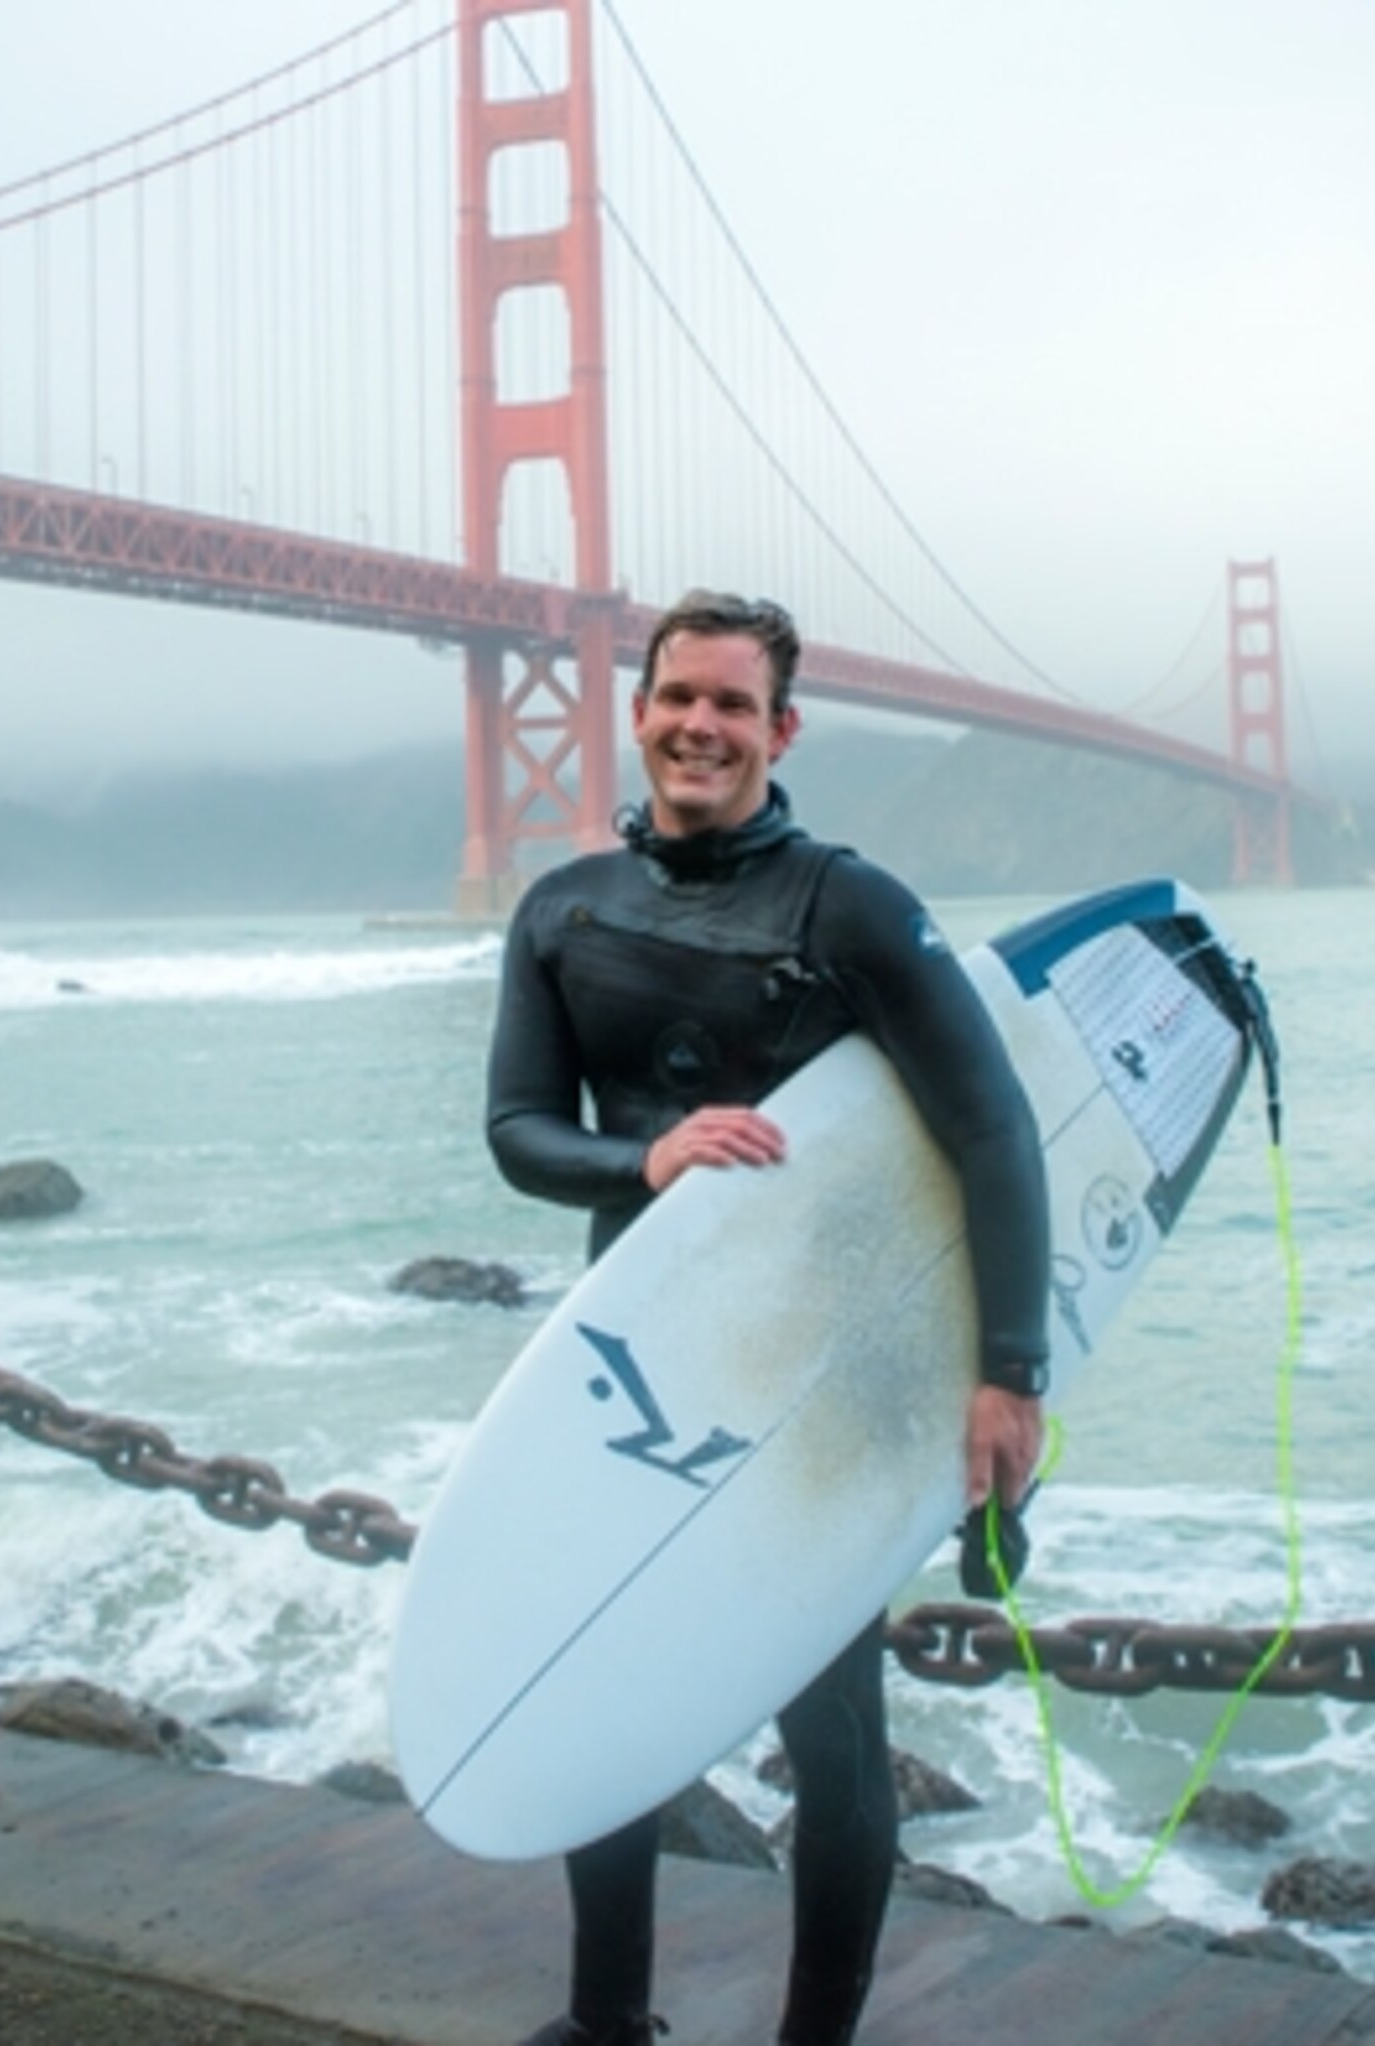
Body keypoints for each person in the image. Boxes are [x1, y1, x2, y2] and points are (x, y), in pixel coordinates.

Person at [481, 590, 1053, 2046]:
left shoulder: (847, 904)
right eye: (681, 696)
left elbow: (995, 1132)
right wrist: (648, 1158)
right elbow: (519, 1130)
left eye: (735, 705)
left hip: (816, 1380)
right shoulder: (564, 911)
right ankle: (607, 2018)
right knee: (607, 1682)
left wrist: (1009, 1372)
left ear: (782, 729)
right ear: (641, 709)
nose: (702, 726)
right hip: (629, 1366)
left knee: (830, 1725)